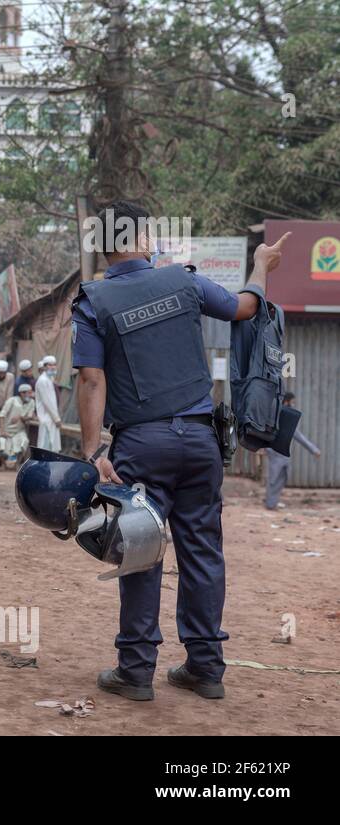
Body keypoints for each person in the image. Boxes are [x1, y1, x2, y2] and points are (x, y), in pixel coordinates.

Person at [74, 198, 290, 702]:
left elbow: (91, 378)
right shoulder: (184, 281)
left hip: (140, 446)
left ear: (102, 246)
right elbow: (245, 307)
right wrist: (261, 266)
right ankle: (206, 668)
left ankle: (135, 672)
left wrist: (92, 451)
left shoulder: (93, 302)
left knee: (141, 552)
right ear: (145, 239)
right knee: (203, 552)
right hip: (199, 442)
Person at [264, 393, 321, 510]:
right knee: (274, 478)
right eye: (292, 401)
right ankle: (270, 503)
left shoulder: (282, 414)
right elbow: (298, 435)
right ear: (286, 402)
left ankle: (272, 502)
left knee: (281, 477)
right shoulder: (282, 415)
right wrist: (313, 449)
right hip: (276, 451)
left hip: (280, 452)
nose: (293, 404)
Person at [0, 384, 37, 467]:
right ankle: (3, 464)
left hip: (19, 431)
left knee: (24, 441)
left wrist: (20, 417)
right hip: (6, 430)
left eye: (30, 393)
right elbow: (2, 415)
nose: (29, 395)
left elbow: (28, 417)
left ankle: (17, 464)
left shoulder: (32, 402)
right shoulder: (12, 400)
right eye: (27, 393)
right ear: (22, 393)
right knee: (2, 443)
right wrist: (2, 431)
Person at [34, 356, 62, 452]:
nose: (53, 367)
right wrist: (56, 418)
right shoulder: (43, 381)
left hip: (51, 419)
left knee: (52, 448)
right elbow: (47, 402)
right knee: (45, 448)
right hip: (46, 419)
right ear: (45, 367)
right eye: (50, 365)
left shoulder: (49, 379)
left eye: (54, 364)